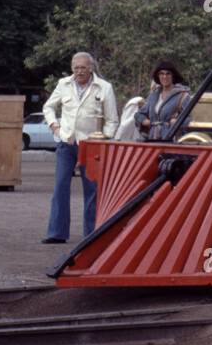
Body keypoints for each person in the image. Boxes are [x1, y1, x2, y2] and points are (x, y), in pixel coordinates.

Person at [41, 52, 118, 244]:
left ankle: (91, 234)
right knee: (60, 187)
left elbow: (112, 119)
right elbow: (48, 107)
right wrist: (54, 127)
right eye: (76, 68)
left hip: (92, 145)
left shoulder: (104, 87)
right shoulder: (63, 84)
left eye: (83, 68)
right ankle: (56, 233)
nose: (79, 71)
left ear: (91, 68)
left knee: (92, 189)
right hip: (66, 143)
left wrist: (104, 138)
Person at [134, 60, 191, 141]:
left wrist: (177, 121)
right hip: (152, 138)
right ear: (158, 76)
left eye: (168, 73)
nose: (164, 77)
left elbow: (189, 119)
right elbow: (139, 114)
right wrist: (144, 120)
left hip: (171, 139)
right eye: (161, 73)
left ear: (173, 76)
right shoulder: (153, 96)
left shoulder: (182, 96)